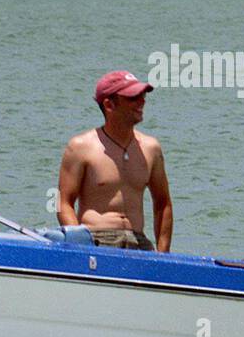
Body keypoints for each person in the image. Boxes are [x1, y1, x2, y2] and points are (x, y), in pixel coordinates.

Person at [56, 70, 173, 251]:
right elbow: (64, 203)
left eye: (142, 95)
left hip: (138, 242)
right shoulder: (80, 147)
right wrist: (79, 246)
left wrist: (164, 255)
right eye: (133, 97)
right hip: (97, 239)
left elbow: (163, 204)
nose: (142, 101)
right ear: (109, 105)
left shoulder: (151, 149)